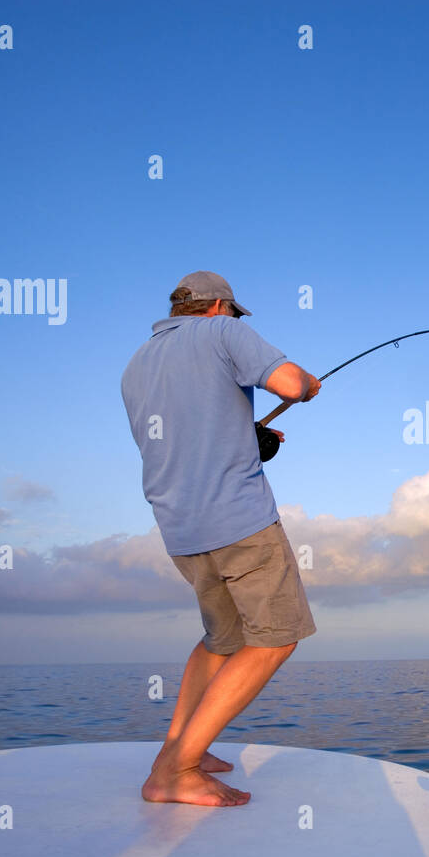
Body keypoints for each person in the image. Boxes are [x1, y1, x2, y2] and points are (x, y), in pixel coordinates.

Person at [120, 270, 321, 807]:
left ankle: (183, 745)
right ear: (219, 308)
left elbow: (187, 437)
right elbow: (290, 384)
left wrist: (249, 438)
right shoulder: (223, 334)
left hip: (181, 529)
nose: (235, 320)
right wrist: (307, 384)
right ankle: (175, 770)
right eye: (234, 312)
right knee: (277, 637)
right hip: (239, 521)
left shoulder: (136, 366)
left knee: (222, 641)